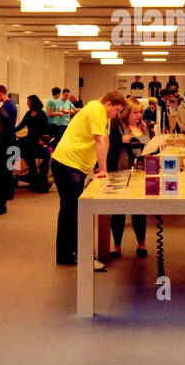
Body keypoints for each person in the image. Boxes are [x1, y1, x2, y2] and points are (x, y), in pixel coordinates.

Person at [50, 89, 127, 269]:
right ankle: (82, 256)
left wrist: (102, 169)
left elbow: (105, 139)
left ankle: (65, 254)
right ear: (108, 104)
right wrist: (103, 169)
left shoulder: (102, 113)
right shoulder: (97, 110)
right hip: (69, 165)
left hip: (71, 165)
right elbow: (99, 140)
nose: (117, 115)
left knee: (68, 211)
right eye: (116, 110)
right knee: (75, 213)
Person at [107, 98, 161, 259]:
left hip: (142, 173)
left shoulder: (145, 127)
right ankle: (116, 246)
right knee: (118, 211)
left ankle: (141, 244)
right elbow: (108, 147)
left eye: (140, 112)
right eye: (135, 112)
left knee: (140, 210)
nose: (138, 116)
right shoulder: (117, 126)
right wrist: (119, 141)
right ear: (126, 113)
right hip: (121, 172)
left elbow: (153, 146)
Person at [18, 94, 51, 192]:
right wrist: (11, 130)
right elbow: (21, 125)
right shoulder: (29, 113)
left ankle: (40, 183)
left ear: (33, 102)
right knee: (14, 148)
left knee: (39, 162)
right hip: (30, 140)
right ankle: (30, 178)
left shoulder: (42, 114)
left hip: (39, 142)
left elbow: (46, 130)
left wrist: (44, 142)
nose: (27, 103)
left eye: (28, 102)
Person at [0, 92, 17, 207]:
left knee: (6, 170)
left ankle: (7, 194)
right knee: (10, 169)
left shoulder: (3, 110)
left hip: (7, 143)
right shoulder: (11, 105)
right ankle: (9, 193)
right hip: (12, 142)